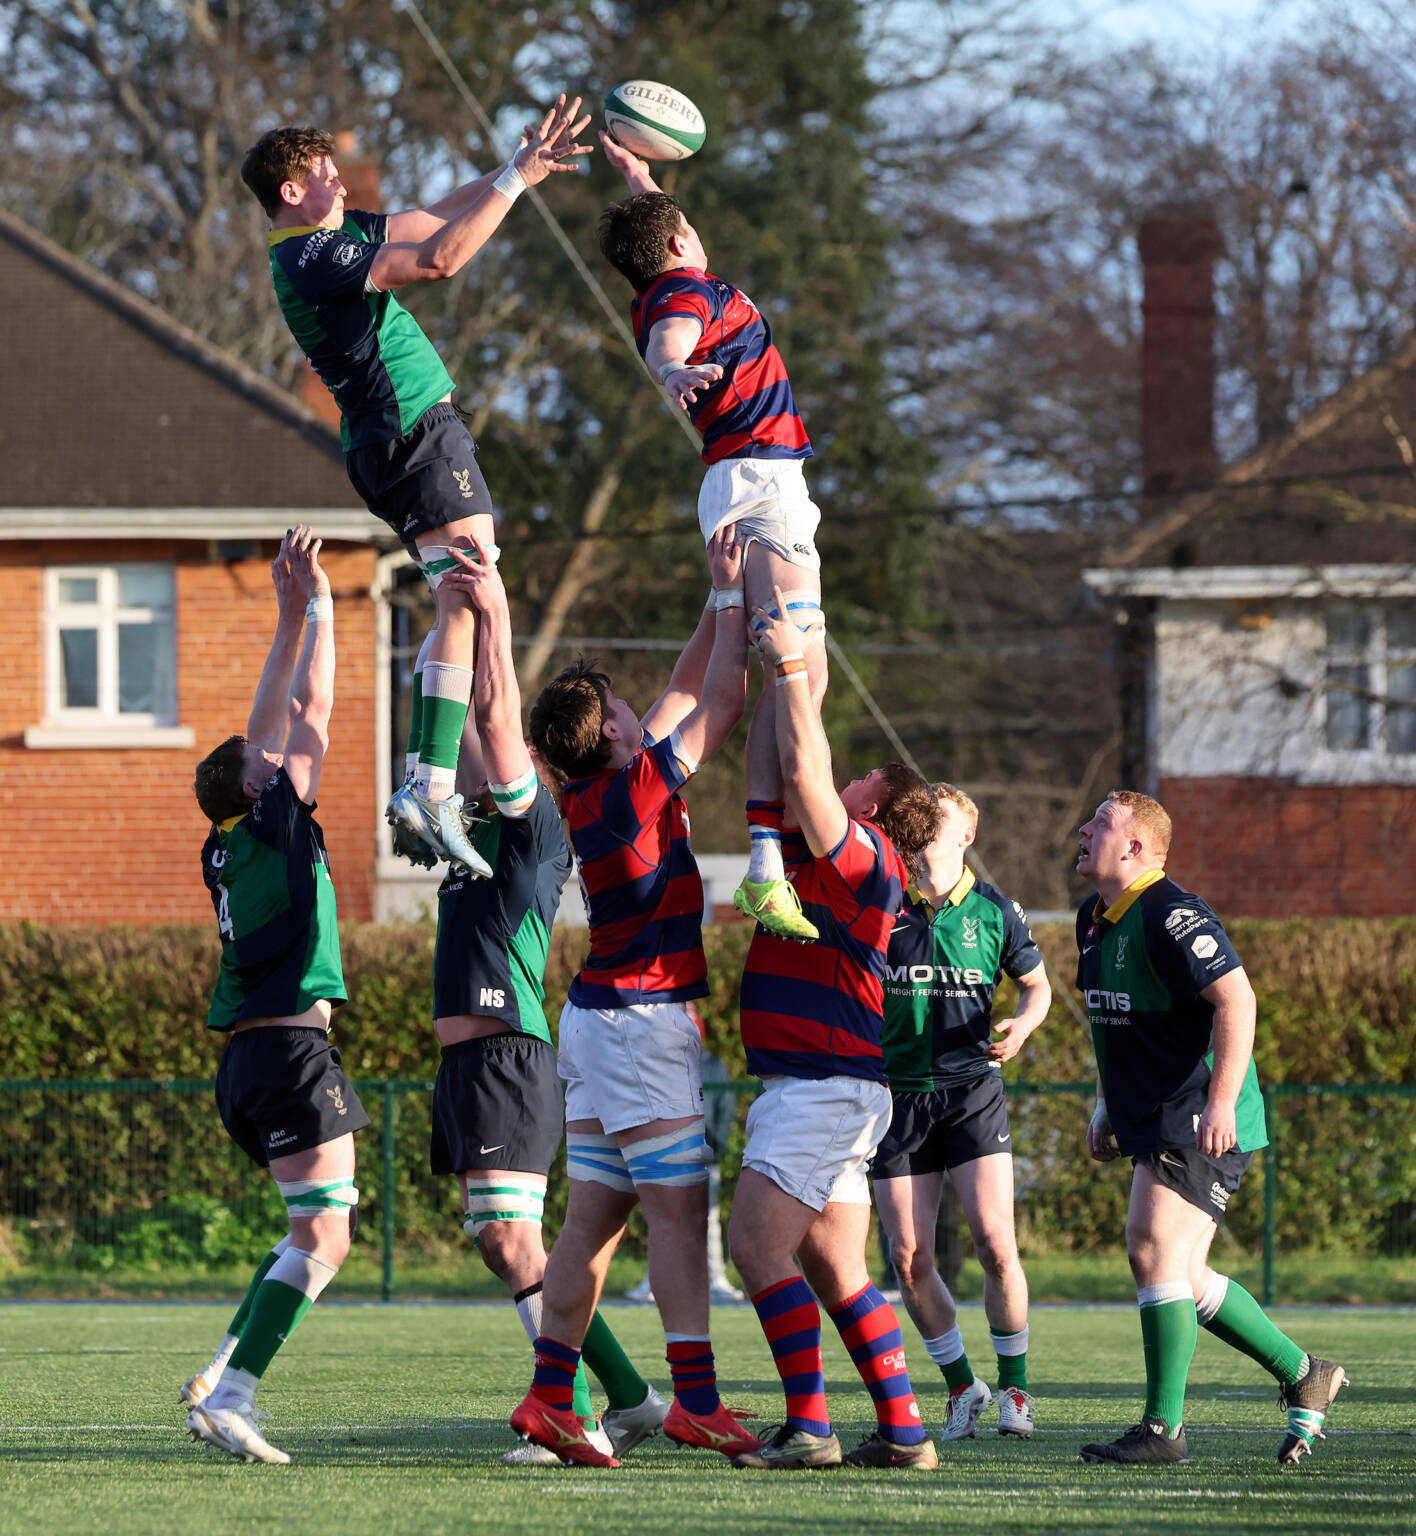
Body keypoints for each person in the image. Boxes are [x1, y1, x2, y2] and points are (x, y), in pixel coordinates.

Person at [240, 99, 590, 872]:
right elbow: (440, 259)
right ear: (290, 192)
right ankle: (426, 786)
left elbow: (431, 215)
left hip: (406, 440)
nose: (336, 178)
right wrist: (519, 182)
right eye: (320, 172)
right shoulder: (309, 256)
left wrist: (513, 168)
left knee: (462, 595)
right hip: (414, 438)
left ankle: (426, 784)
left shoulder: (332, 236)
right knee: (469, 588)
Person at [508, 528, 759, 1469]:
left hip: (598, 1023)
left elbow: (684, 690)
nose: (636, 710)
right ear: (613, 732)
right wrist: (736, 606)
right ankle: (695, 1400)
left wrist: (717, 593)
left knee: (592, 1219)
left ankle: (547, 1400)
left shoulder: (606, 785)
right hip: (641, 1023)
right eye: (622, 705)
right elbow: (722, 698)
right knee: (678, 1211)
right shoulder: (626, 796)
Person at [430, 540, 665, 1464]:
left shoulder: (532, 826)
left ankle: (578, 1416)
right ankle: (634, 1399)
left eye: (508, 753)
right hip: (471, 1063)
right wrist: (444, 610)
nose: (486, 754)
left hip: (508, 1054)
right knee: (505, 1245)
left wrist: (493, 611)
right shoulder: (473, 827)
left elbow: (488, 709)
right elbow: (450, 714)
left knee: (511, 1243)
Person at [727, 587, 940, 1471]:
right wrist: (784, 677)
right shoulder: (831, 852)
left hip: (820, 1086)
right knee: (834, 1269)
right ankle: (905, 1431)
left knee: (753, 1247)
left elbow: (811, 784)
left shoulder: (872, 856)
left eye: (864, 785)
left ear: (880, 809)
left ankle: (810, 1427)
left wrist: (791, 665)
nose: (847, 779)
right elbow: (777, 767)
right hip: (829, 1084)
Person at [597, 134, 825, 944]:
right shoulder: (682, 298)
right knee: (795, 670)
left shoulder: (661, 284)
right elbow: (673, 340)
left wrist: (637, 178)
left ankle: (616, 789)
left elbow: (667, 259)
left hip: (745, 484)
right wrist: (672, 372)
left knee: (779, 672)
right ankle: (767, 862)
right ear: (677, 246)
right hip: (761, 482)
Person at [1074, 789, 1345, 1466]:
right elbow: (1116, 1024)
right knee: (1181, 1273)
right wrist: (1106, 1104)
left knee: (1153, 1249)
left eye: (1100, 823)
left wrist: (1222, 1102)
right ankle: (1304, 1373)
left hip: (1198, 1113)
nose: (1083, 829)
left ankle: (1163, 1431)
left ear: (1134, 847)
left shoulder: (1173, 914)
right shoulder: (1095, 918)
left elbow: (1237, 1000)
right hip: (1155, 1113)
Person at [183, 527, 364, 1466]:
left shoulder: (226, 843)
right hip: (291, 1053)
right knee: (328, 1232)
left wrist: (287, 612)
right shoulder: (274, 822)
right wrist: (321, 608)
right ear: (255, 792)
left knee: (309, 1228)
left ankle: (218, 1376)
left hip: (249, 1063)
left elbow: (261, 732)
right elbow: (312, 707)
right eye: (266, 770)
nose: (278, 763)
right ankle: (237, 1392)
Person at [874, 783, 1052, 1442]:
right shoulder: (884, 901)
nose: (922, 828)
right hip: (895, 1096)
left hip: (972, 1093)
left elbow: (1038, 987)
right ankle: (962, 1388)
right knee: (908, 1256)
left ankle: (1015, 1390)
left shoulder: (996, 910)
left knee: (996, 1246)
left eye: (937, 819)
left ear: (964, 836)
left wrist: (1025, 1026)